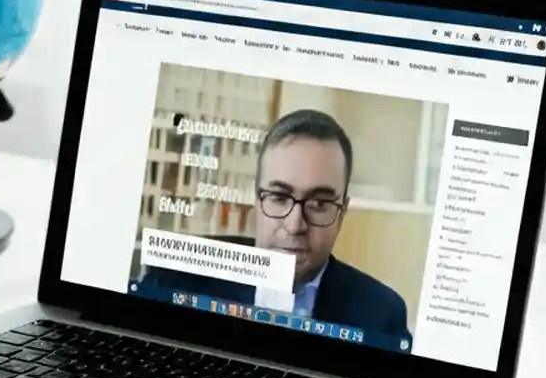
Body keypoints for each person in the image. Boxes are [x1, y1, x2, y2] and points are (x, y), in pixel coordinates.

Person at [136, 109, 412, 342]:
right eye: (279, 198)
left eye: (318, 204)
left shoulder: (382, 313)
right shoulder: (175, 274)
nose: (295, 226)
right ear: (257, 199)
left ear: (342, 213)